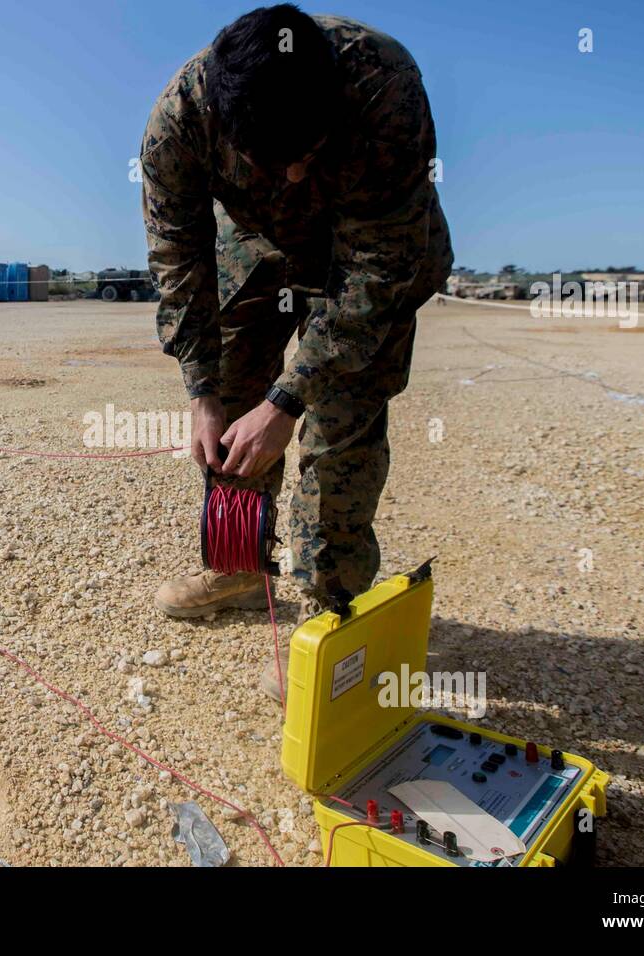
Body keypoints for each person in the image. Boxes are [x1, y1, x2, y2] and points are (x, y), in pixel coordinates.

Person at [140, 5, 453, 700]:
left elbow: (377, 271)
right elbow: (178, 258)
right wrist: (203, 392)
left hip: (364, 253)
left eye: (305, 157)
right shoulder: (178, 121)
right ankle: (240, 568)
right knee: (228, 409)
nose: (290, 177)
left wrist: (287, 402)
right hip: (254, 250)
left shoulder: (384, 87)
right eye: (269, 162)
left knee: (342, 420)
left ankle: (328, 615)